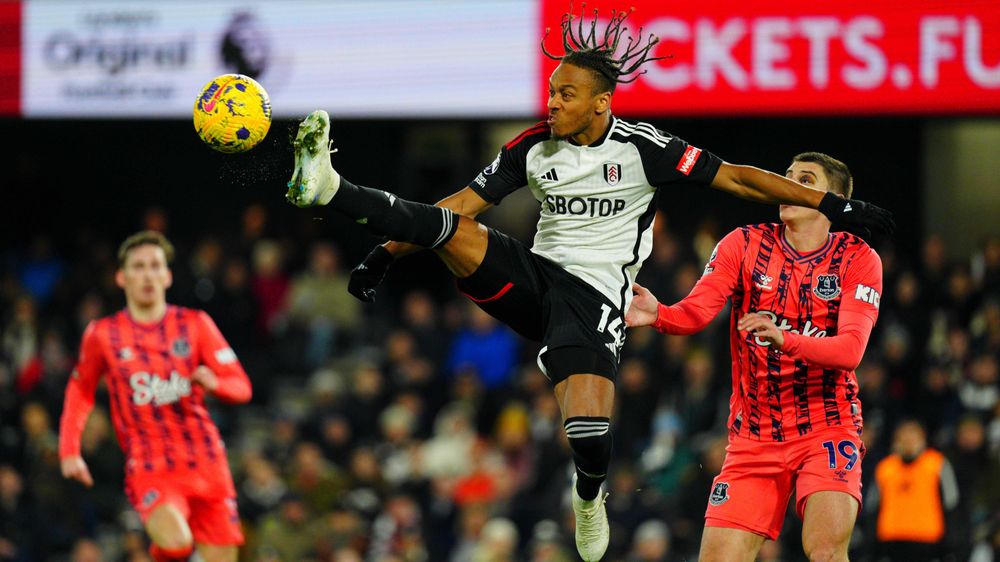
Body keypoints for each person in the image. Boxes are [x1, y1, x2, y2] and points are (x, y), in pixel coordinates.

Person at [284, 6, 893, 560]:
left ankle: (588, 496)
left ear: (601, 103)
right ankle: (333, 188)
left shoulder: (645, 148)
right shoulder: (530, 147)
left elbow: (736, 178)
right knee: (451, 228)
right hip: (534, 279)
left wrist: (831, 206)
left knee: (589, 434)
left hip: (593, 300)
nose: (552, 102)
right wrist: (386, 255)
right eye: (551, 91)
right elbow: (465, 202)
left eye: (566, 94)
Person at [626, 153, 883, 561]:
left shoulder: (858, 258)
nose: (787, 184)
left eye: (804, 179)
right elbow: (697, 310)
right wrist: (661, 314)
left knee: (826, 553)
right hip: (754, 436)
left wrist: (785, 338)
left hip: (827, 425)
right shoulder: (744, 243)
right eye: (785, 176)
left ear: (832, 199)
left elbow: (850, 351)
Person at [59, 231, 252, 562]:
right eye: (138, 266)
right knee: (176, 542)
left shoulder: (196, 324)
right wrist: (69, 450)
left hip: (207, 461)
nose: (147, 274)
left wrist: (215, 384)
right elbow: (80, 389)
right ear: (121, 277)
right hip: (151, 465)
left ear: (167, 275)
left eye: (155, 266)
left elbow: (241, 387)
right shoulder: (103, 334)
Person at [868, 419, 959, 561]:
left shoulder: (937, 464)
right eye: (903, 436)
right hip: (892, 540)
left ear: (922, 438)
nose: (908, 440)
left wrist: (950, 543)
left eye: (913, 435)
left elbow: (951, 503)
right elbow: (872, 506)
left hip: (928, 541)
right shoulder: (885, 468)